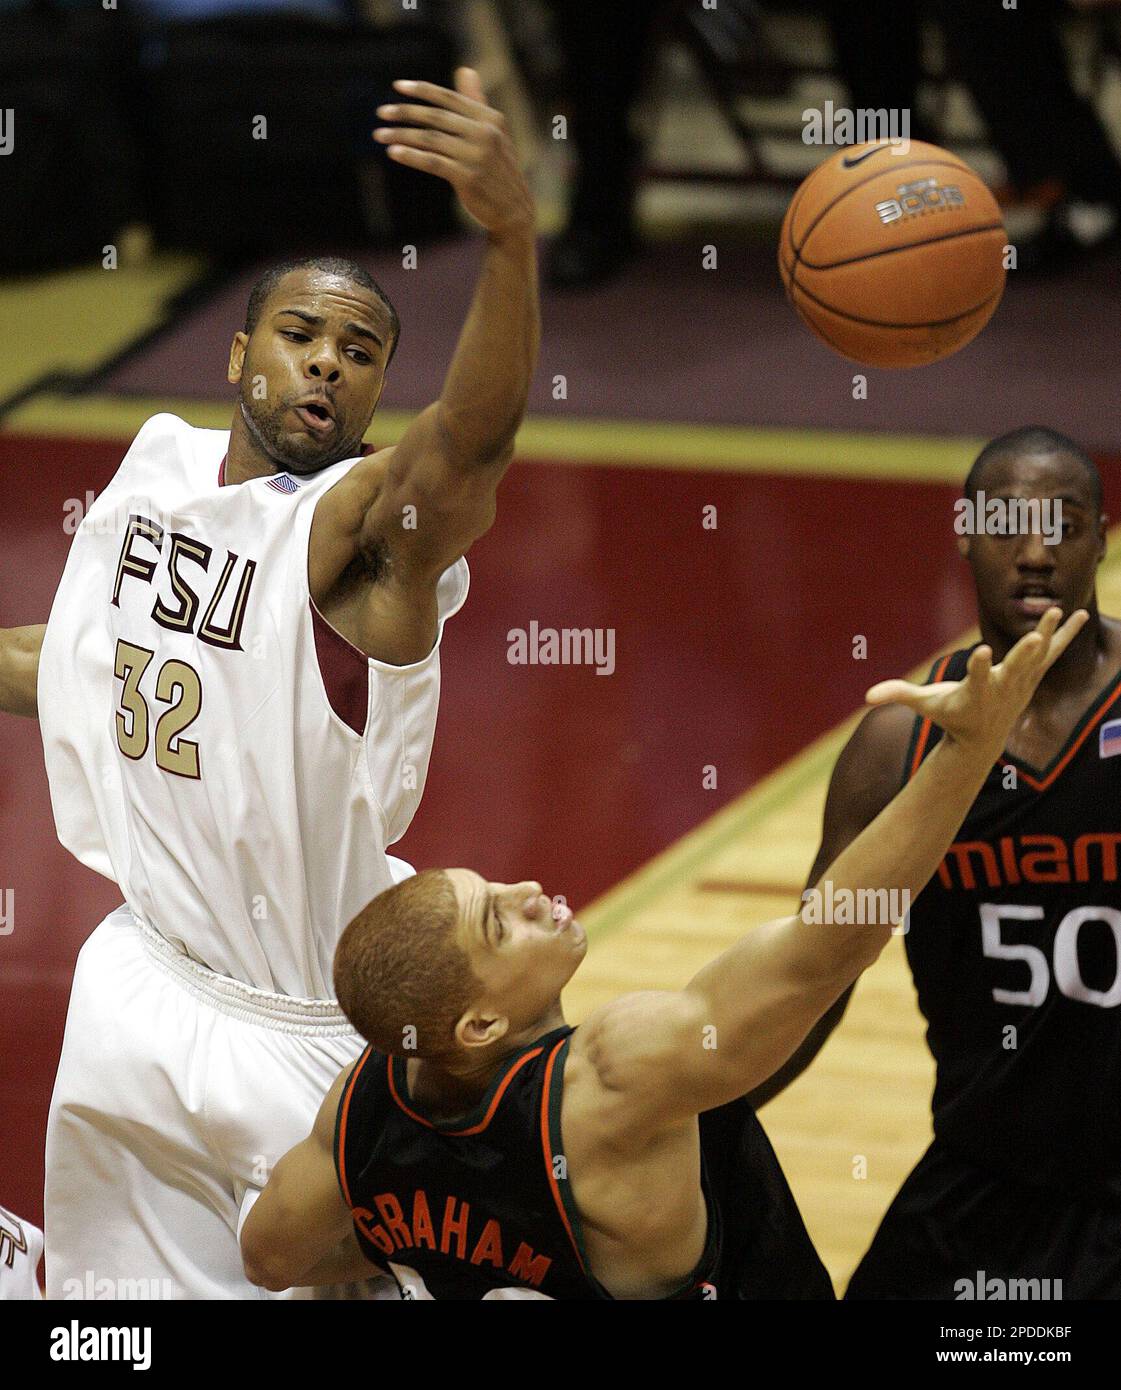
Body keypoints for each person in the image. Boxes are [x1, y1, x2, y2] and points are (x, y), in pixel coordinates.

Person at [0, 66, 539, 1299]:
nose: (327, 368)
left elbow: (468, 446)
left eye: (360, 353)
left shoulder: (364, 546)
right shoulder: (158, 469)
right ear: (240, 351)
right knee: (104, 1318)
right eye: (301, 336)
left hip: (304, 1032)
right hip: (135, 980)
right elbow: (72, 663)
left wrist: (509, 239)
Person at [239, 607, 1086, 1299]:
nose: (527, 891)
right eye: (498, 923)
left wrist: (423, 1254)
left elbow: (270, 1259)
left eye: (492, 886)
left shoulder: (360, 1114)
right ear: (478, 1021)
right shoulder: (610, 1083)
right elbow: (825, 950)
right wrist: (969, 752)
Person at [782, 427, 1121, 1298]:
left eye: (1064, 525)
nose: (1037, 552)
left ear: (1101, 539)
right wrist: (690, 1108)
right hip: (986, 1178)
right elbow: (811, 979)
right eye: (1009, 521)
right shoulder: (899, 743)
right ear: (963, 531)